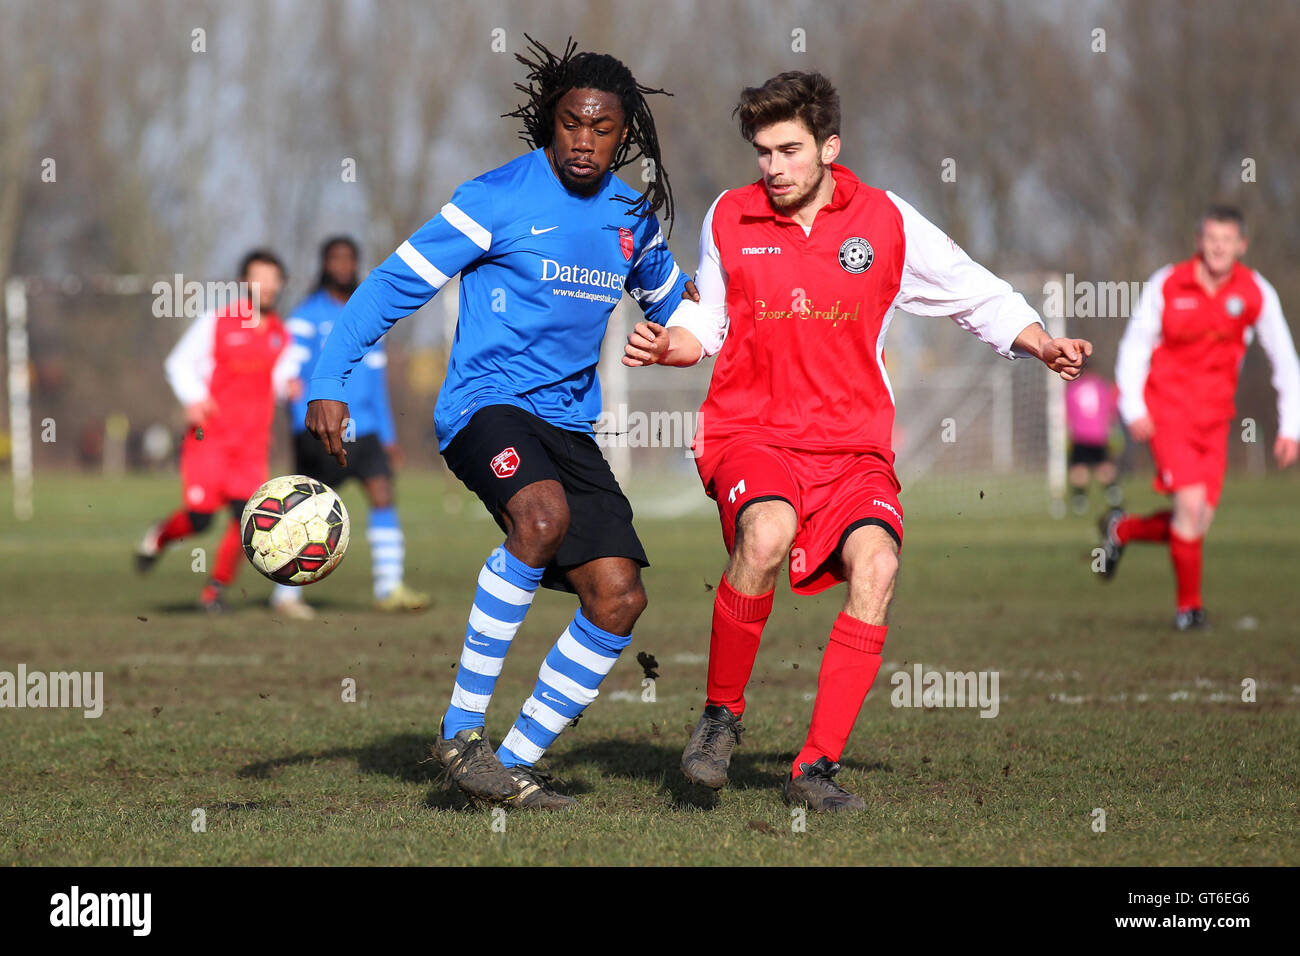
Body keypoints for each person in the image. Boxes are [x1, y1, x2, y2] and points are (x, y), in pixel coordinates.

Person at [625, 71, 1090, 811]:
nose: (772, 168)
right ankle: (720, 718)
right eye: (762, 152)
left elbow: (971, 289)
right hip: (753, 431)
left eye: (788, 150)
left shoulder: (885, 221)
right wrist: (671, 345)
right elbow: (707, 319)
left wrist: (1038, 341)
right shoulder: (730, 217)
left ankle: (814, 769)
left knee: (877, 566)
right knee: (766, 533)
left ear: (829, 148)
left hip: (851, 447)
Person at [303, 37, 700, 809]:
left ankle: (505, 768)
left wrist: (688, 341)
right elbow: (393, 284)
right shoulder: (496, 197)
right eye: (572, 123)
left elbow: (681, 313)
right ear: (551, 122)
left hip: (569, 425)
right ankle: (460, 733)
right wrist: (329, 377)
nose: (584, 141)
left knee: (618, 597)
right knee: (540, 516)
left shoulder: (631, 218)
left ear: (628, 135)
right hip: (485, 408)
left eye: (602, 128)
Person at [1101, 205, 1300, 630]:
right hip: (1167, 411)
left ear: (1241, 245)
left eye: (1227, 240)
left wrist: (1291, 427)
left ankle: (1123, 530)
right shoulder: (1167, 283)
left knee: (1196, 522)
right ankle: (1188, 610)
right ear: (1199, 241)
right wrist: (1133, 406)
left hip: (1215, 420)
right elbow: (1135, 345)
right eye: (1211, 239)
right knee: (1190, 509)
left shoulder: (1254, 291)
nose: (1218, 248)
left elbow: (1283, 357)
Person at [271, 236, 429, 619]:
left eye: (349, 259)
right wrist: (301, 426)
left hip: (368, 429)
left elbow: (376, 385)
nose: (342, 265)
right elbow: (288, 376)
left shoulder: (369, 319)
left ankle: (388, 586)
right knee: (306, 510)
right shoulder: (305, 318)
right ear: (324, 265)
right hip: (323, 430)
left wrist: (389, 437)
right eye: (335, 259)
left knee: (382, 493)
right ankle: (286, 595)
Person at [136, 250, 300, 612]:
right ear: (244, 283)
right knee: (199, 519)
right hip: (209, 439)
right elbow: (178, 363)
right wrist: (194, 398)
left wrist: (290, 388)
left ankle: (214, 592)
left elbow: (280, 381)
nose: (268, 285)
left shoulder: (281, 337)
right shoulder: (219, 321)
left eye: (274, 278)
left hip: (252, 445)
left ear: (281, 284)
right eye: (260, 277)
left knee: (248, 522)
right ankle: (159, 537)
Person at [1065, 371, 1122, 514]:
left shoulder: (1074, 388)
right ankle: (1113, 494)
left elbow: (1068, 412)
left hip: (1080, 434)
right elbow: (1111, 408)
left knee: (1079, 467)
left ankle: (1080, 499)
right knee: (1104, 465)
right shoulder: (1101, 386)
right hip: (1099, 433)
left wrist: (1068, 428)